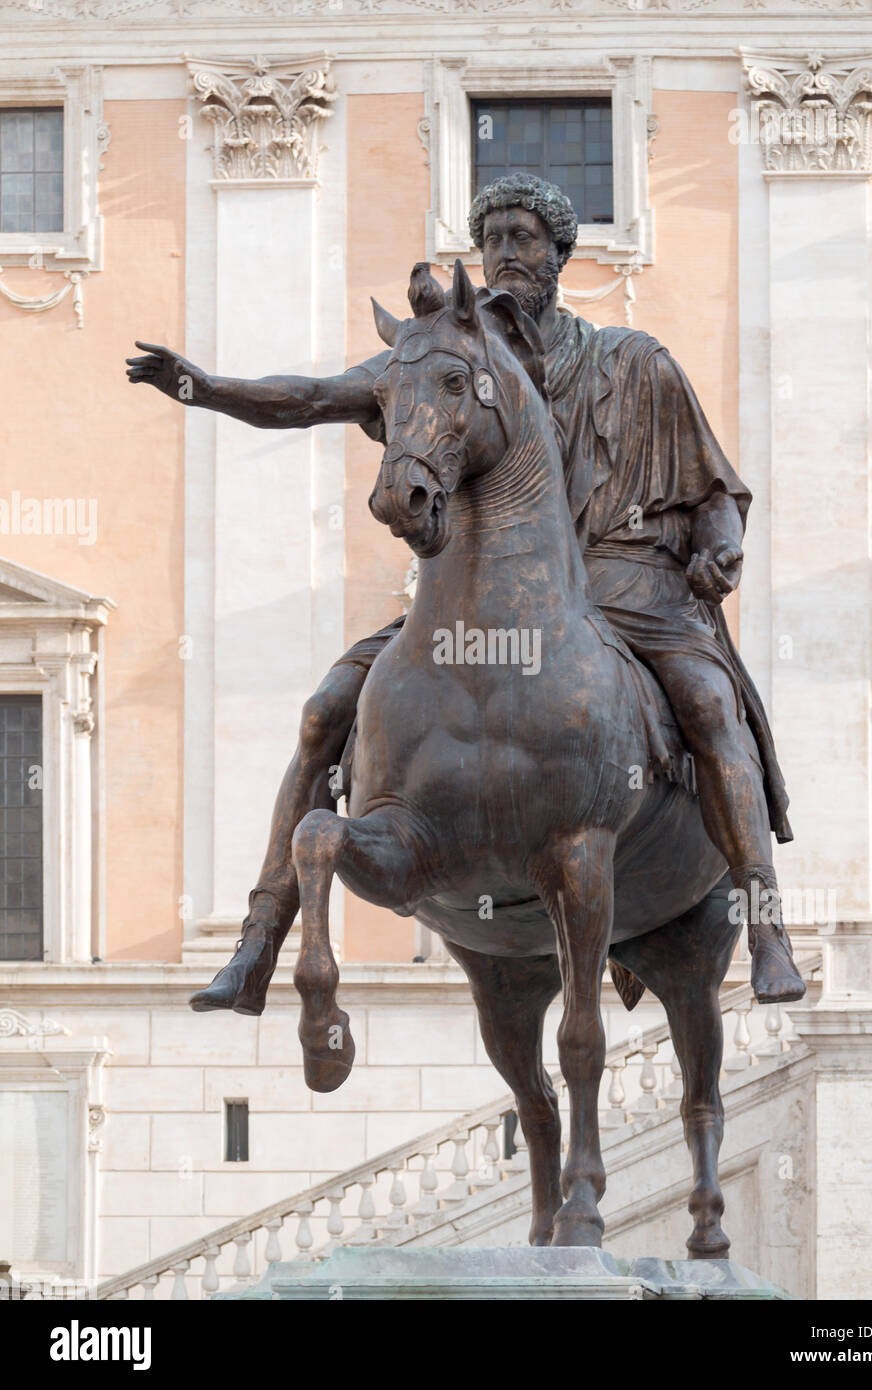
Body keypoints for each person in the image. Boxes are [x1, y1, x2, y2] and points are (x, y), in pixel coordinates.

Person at [127, 172, 805, 1013]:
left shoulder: (631, 362)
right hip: (486, 595)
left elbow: (713, 492)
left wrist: (721, 551)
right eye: (492, 241)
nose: (507, 254)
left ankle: (766, 919)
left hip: (628, 584)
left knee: (706, 703)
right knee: (326, 707)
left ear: (560, 254)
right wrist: (203, 385)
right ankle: (259, 938)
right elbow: (309, 399)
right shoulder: (440, 354)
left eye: (524, 238)